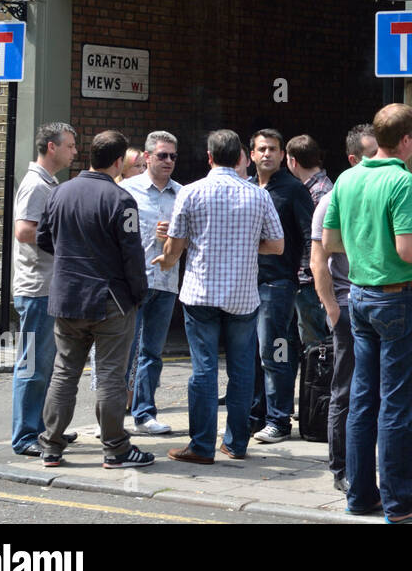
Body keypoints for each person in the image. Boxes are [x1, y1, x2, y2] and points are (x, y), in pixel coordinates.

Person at [322, 103, 412, 523]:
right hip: (397, 298)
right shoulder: (402, 180)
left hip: (359, 296)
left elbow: (331, 241)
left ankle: (361, 496)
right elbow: (409, 250)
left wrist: (366, 247)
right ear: (409, 139)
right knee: (396, 406)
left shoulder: (348, 178)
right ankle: (401, 502)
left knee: (363, 400)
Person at [157, 130, 283, 465]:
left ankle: (200, 446)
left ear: (209, 157)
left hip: (201, 295)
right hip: (243, 296)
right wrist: (244, 247)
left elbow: (176, 245)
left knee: (204, 370)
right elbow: (277, 245)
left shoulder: (192, 192)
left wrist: (167, 258)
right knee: (242, 372)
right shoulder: (258, 196)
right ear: (241, 158)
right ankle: (236, 444)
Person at [36, 130, 153, 469]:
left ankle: (52, 446)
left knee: (64, 372)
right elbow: (132, 255)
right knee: (111, 377)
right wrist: (138, 294)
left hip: (67, 298)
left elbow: (44, 239)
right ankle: (116, 449)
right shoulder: (121, 200)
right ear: (119, 162)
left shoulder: (59, 193)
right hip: (110, 300)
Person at [310, 124, 376, 493]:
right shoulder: (331, 201)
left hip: (375, 304)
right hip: (349, 307)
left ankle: (368, 464)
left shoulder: (376, 193)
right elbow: (318, 262)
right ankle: (341, 469)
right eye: (371, 154)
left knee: (374, 392)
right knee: (346, 390)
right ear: (353, 160)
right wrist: (332, 308)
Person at [11, 123, 79, 457]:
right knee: (32, 366)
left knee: (47, 367)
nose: (75, 151)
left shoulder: (47, 183)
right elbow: (24, 231)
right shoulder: (36, 184)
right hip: (36, 288)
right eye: (70, 146)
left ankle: (42, 430)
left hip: (47, 288)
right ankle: (25, 435)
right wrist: (65, 245)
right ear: (52, 147)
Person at [248, 129, 314, 444]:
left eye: (273, 149)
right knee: (252, 354)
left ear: (282, 155)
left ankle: (280, 419)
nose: (267, 154)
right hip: (246, 282)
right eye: (261, 149)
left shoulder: (292, 189)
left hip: (278, 284)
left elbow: (309, 235)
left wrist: (307, 274)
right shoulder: (247, 188)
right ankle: (255, 415)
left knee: (275, 352)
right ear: (251, 154)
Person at [120, 130, 183, 435]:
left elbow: (194, 239)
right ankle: (113, 414)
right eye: (162, 155)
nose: (168, 161)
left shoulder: (183, 193)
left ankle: (145, 413)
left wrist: (174, 238)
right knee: (124, 350)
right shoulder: (127, 190)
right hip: (133, 282)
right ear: (147, 157)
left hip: (167, 282)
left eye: (172, 155)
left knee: (152, 353)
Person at [285, 134, 333, 347]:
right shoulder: (325, 186)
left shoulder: (315, 192)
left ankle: (318, 381)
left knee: (315, 344)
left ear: (293, 161)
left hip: (311, 279)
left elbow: (318, 241)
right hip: (313, 278)